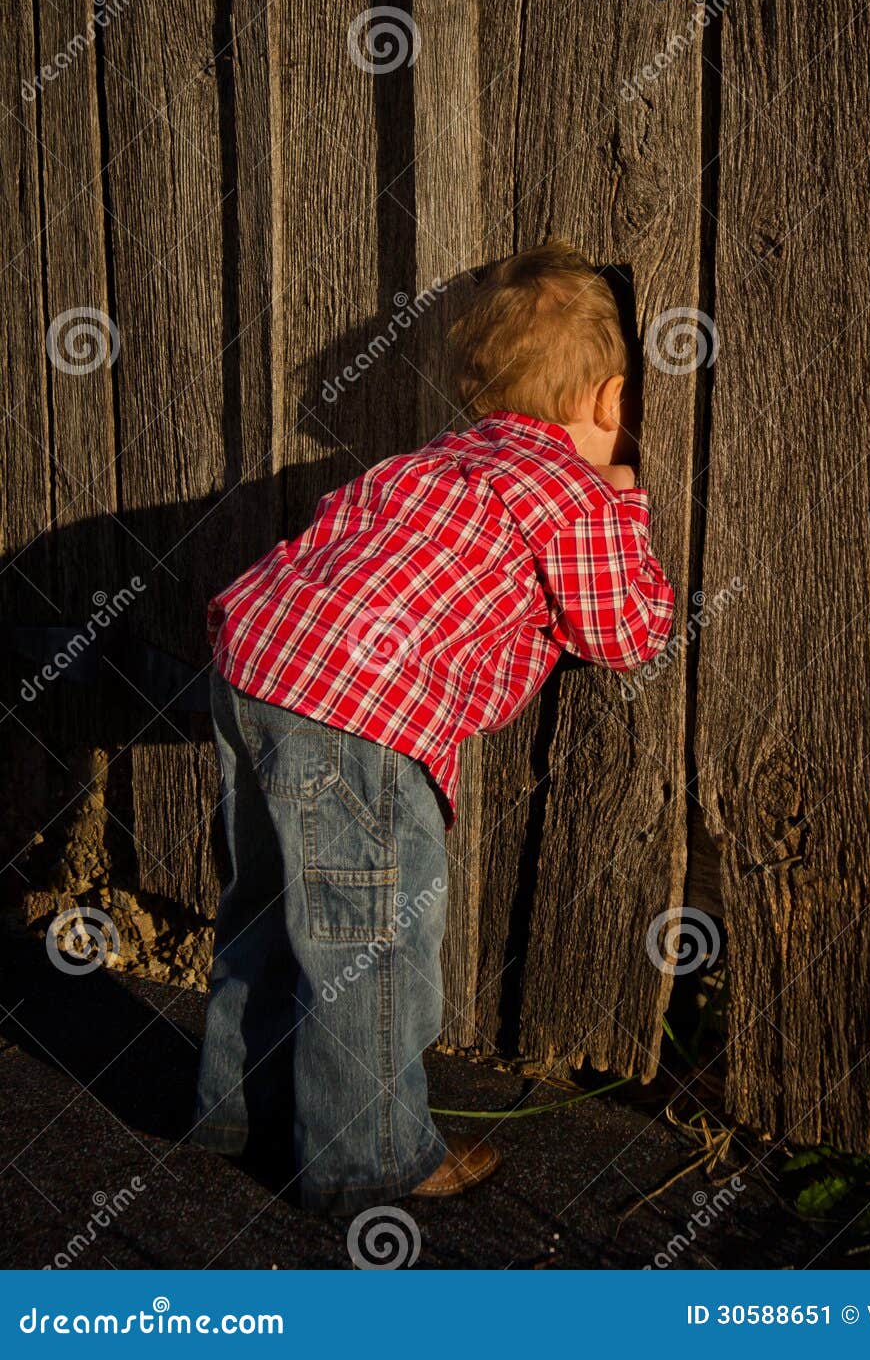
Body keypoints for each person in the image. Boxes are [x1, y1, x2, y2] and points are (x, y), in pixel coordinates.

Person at [191, 242, 674, 1212]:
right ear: (614, 402)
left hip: (255, 659)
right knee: (371, 938)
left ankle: (233, 1111)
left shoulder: (429, 463)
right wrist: (625, 510)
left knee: (265, 910)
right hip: (358, 708)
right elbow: (622, 632)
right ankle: (368, 1158)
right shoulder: (570, 496)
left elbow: (327, 536)